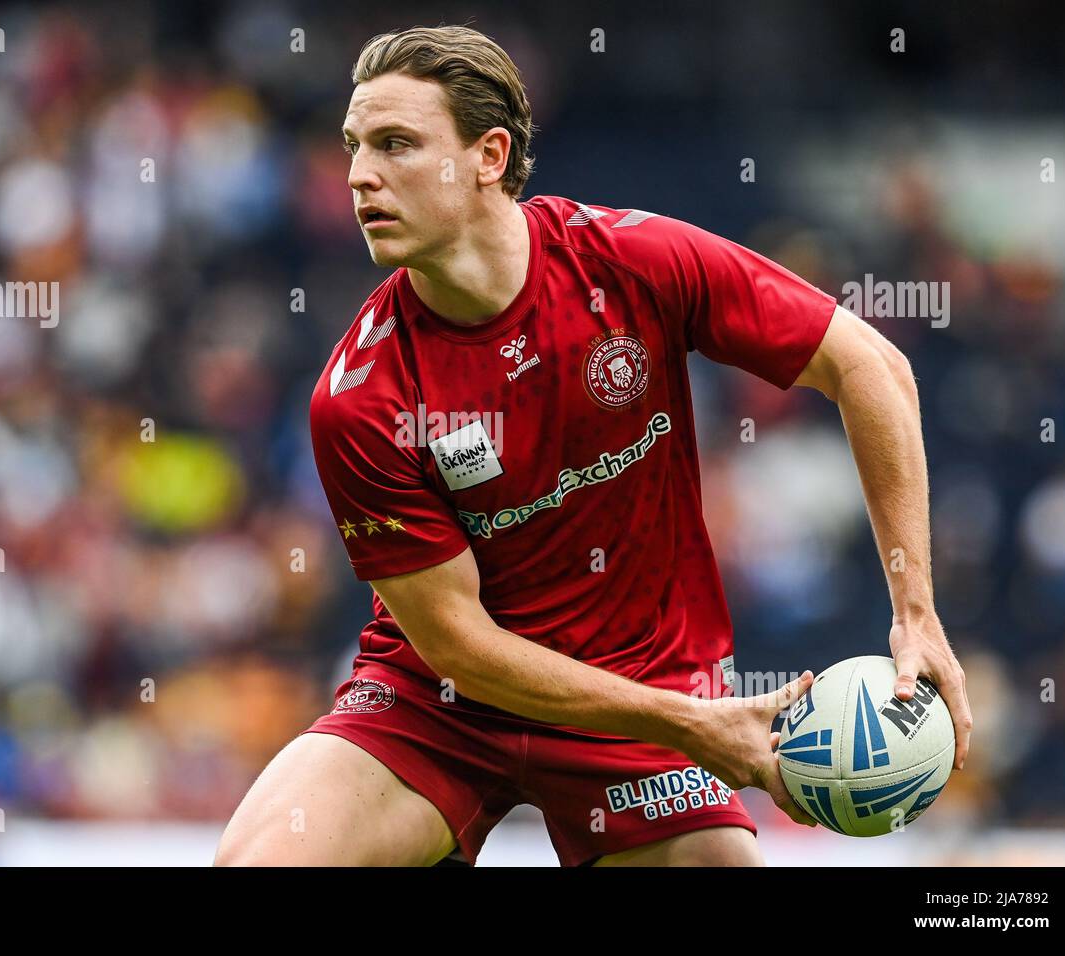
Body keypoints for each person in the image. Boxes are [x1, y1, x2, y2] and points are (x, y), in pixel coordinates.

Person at [216, 24, 972, 867]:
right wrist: (691, 725)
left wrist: (915, 612)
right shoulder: (358, 399)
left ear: (488, 156)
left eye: (396, 144)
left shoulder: (634, 262)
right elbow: (460, 645)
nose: (359, 174)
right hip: (442, 706)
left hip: (641, 693)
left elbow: (870, 367)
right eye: (355, 146)